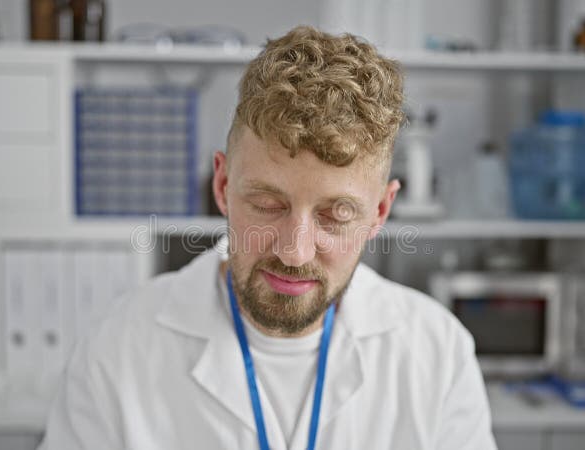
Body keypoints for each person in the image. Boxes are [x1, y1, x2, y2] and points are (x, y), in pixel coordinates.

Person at [40, 26, 497, 450]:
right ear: (222, 185)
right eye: (267, 204)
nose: (294, 252)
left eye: (335, 214)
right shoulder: (115, 350)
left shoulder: (437, 355)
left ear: (380, 211)